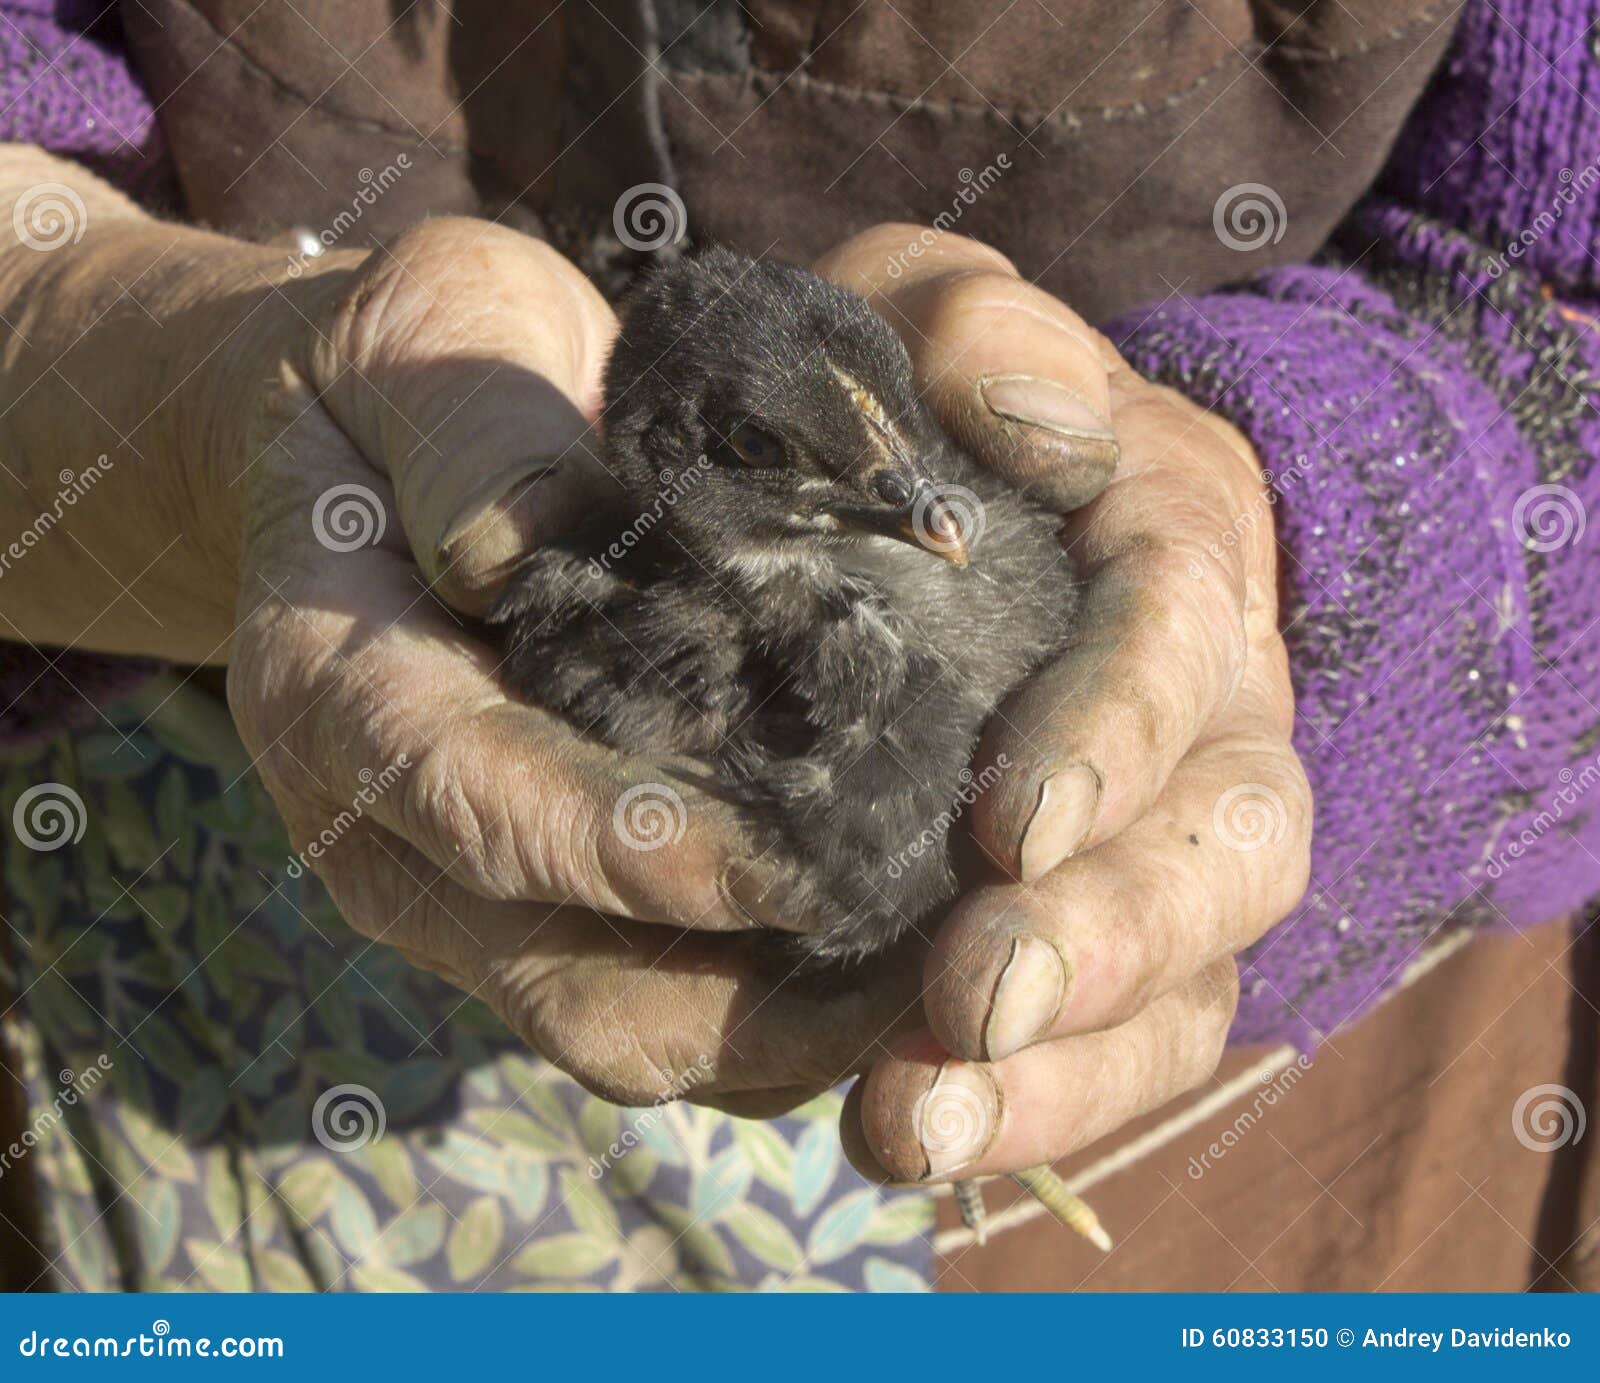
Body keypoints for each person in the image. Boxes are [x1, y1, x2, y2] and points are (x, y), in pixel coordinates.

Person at [0, 0, 1593, 1291]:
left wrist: (1336, 564)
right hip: (281, 1008)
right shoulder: (611, 620)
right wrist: (189, 405)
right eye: (785, 464)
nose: (926, 512)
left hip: (1264, 1102)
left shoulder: (970, 553)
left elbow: (1561, 297)